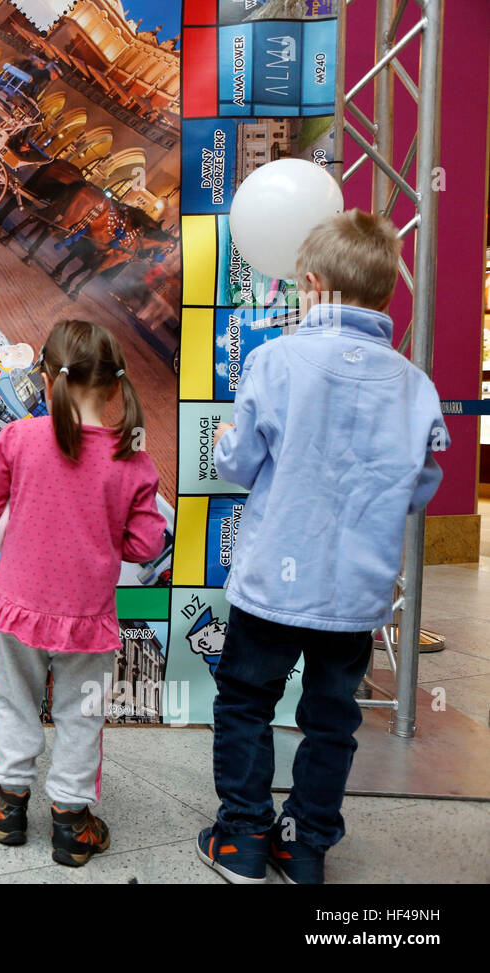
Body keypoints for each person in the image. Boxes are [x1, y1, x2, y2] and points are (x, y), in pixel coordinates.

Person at [197, 210, 447, 884]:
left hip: (273, 586)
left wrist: (225, 436)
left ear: (311, 284)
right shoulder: (414, 385)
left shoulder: (275, 361)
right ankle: (305, 848)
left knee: (248, 700)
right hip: (356, 593)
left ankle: (243, 837)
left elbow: (237, 464)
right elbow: (421, 487)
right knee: (332, 720)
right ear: (383, 294)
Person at [0, 319, 166, 866]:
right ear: (112, 386)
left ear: (46, 377)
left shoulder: (18, 438)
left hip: (17, 605)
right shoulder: (133, 460)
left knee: (14, 702)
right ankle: (72, 824)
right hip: (87, 617)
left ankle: (7, 806)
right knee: (82, 714)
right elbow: (148, 544)